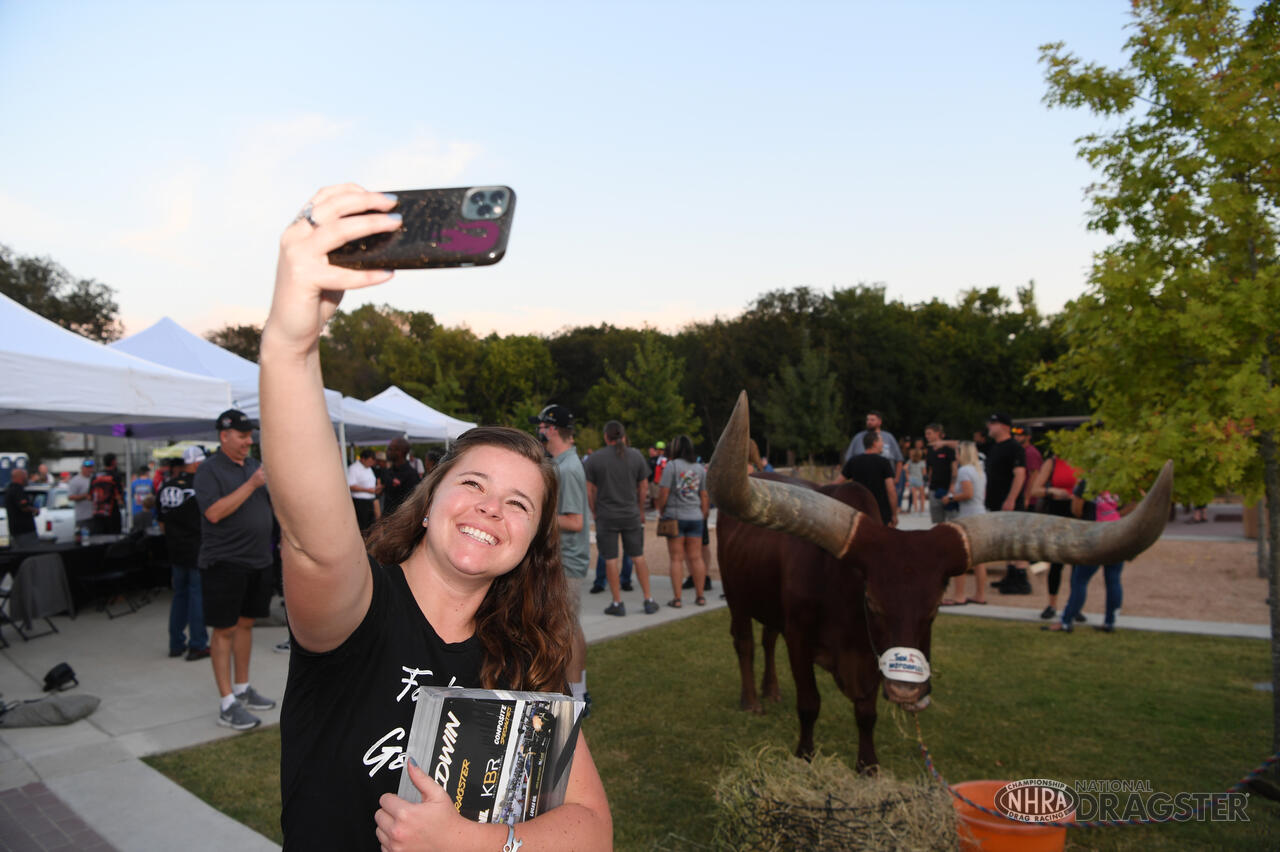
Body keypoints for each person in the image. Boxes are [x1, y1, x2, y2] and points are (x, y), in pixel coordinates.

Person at [259, 184, 610, 850]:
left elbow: (593, 831)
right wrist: (290, 349)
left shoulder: (524, 656)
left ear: (534, 539)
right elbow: (313, 545)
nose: (490, 507)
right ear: (427, 504)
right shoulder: (358, 614)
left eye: (519, 504)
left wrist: (478, 844)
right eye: (473, 482)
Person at [195, 408, 277, 731]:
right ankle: (227, 702)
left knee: (246, 625)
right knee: (224, 629)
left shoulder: (256, 466)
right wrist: (253, 484)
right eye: (242, 436)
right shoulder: (208, 470)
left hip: (259, 561)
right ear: (224, 436)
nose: (248, 441)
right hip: (225, 563)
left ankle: (243, 688)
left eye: (250, 436)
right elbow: (214, 513)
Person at [530, 404, 592, 710]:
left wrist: (536, 517)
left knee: (565, 633)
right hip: (568, 560)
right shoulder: (564, 463)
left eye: (542, 426)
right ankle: (580, 689)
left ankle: (575, 699)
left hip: (568, 562)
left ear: (552, 428)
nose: (539, 431)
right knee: (572, 628)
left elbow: (574, 521)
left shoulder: (568, 468)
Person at [585, 420, 659, 615]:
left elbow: (590, 490)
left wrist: (594, 511)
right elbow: (643, 487)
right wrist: (640, 509)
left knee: (610, 559)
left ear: (605, 437)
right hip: (630, 514)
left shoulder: (595, 459)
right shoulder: (636, 456)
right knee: (638, 556)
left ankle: (617, 602)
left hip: (606, 515)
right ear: (624, 436)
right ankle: (648, 599)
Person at [1043, 478, 1131, 633]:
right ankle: (1110, 622)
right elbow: (1135, 502)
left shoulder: (1087, 481)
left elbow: (1076, 508)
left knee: (1080, 580)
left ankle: (1066, 621)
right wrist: (1116, 513)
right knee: (1113, 579)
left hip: (1094, 536)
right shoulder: (1120, 478)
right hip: (1116, 534)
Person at [158, 446, 210, 661]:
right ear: (197, 463)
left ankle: (175, 644)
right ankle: (197, 644)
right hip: (197, 549)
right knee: (197, 596)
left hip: (175, 550)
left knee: (179, 596)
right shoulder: (202, 486)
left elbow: (161, 523)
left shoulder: (166, 487)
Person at [656, 434, 710, 607]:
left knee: (676, 559)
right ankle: (700, 596)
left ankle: (677, 599)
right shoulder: (700, 468)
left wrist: (662, 510)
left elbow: (663, 493)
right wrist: (703, 514)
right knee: (696, 557)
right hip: (695, 517)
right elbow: (704, 494)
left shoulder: (671, 466)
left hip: (675, 517)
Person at [1027, 453, 1081, 620]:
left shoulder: (1085, 461)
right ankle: (1052, 604)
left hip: (1078, 515)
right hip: (1057, 513)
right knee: (1056, 564)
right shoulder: (1053, 462)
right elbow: (1035, 490)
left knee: (1077, 565)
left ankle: (1074, 605)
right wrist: (1053, 491)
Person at [983, 413, 1030, 594]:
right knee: (1005, 542)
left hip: (1009, 503)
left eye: (993, 424)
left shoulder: (1014, 447)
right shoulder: (995, 447)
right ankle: (1010, 575)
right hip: (996, 502)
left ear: (1003, 426)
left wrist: (1011, 499)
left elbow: (1020, 474)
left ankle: (1021, 578)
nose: (989, 427)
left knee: (1015, 540)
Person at [940, 441, 987, 605]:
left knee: (961, 556)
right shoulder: (980, 470)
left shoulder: (964, 471)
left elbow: (968, 493)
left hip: (968, 516)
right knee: (979, 560)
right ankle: (980, 594)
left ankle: (959, 595)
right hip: (980, 513)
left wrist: (951, 498)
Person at [837, 431, 897, 526]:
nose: (883, 444)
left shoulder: (853, 461)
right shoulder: (884, 462)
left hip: (859, 513)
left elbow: (837, 483)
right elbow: (891, 490)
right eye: (881, 441)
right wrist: (894, 514)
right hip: (881, 513)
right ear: (874, 443)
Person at [843, 410, 904, 483]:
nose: (869, 422)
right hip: (862, 482)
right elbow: (848, 460)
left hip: (885, 482)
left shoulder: (888, 437)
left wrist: (896, 479)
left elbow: (899, 460)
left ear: (879, 422)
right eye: (867, 420)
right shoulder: (858, 437)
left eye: (872, 420)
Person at [924, 423, 957, 524]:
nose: (927, 436)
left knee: (952, 521)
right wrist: (928, 486)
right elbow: (930, 469)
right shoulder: (929, 449)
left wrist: (952, 485)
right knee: (937, 523)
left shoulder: (948, 448)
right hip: (934, 489)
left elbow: (954, 468)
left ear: (937, 433)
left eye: (929, 433)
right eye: (926, 434)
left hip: (947, 488)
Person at [381, 436, 421, 515]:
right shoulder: (388, 471)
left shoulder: (411, 475)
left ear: (399, 452)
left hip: (401, 520)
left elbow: (412, 502)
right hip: (387, 519)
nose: (387, 452)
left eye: (390, 449)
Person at [347, 448, 381, 532]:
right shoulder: (353, 468)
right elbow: (351, 486)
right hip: (360, 501)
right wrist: (367, 490)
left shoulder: (369, 468)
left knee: (371, 525)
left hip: (371, 499)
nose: (371, 463)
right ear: (363, 459)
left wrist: (376, 488)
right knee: (362, 526)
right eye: (369, 461)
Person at [89, 455, 124, 535]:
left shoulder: (95, 476)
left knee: (99, 539)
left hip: (97, 514)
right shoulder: (115, 476)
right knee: (113, 539)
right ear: (113, 462)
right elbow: (119, 496)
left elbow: (90, 496)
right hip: (111, 514)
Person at [4, 467, 38, 547]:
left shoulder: (9, 489)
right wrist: (35, 510)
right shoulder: (17, 490)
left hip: (15, 530)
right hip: (24, 531)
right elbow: (24, 506)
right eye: (25, 476)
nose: (27, 478)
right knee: (30, 553)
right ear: (21, 477)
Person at [906, 439, 927, 514]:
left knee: (914, 496)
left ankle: (915, 509)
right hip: (919, 480)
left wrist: (908, 476)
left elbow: (905, 468)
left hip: (912, 479)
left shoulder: (910, 461)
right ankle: (922, 510)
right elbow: (924, 473)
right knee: (922, 495)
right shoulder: (922, 462)